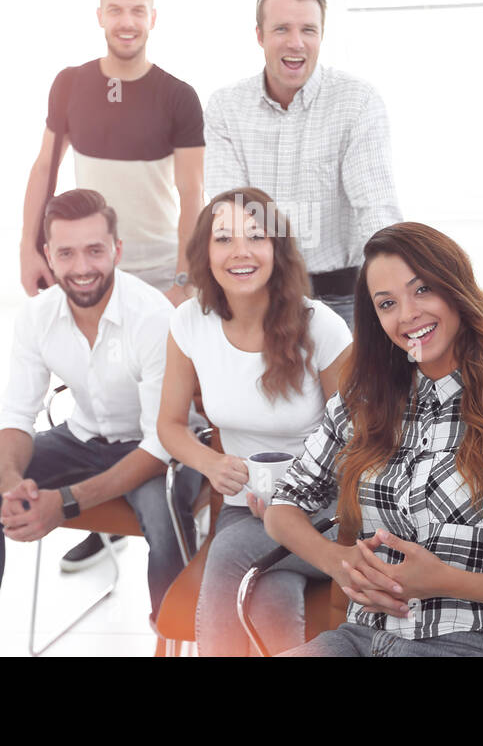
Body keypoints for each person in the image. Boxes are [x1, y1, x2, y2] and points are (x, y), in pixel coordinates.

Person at [264, 222, 483, 657]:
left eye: (422, 289)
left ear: (455, 289)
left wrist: (447, 581)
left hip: (474, 643)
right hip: (357, 641)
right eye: (387, 303)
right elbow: (283, 505)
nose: (407, 314)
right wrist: (335, 560)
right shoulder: (364, 403)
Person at [0, 189, 201, 656]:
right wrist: (11, 484)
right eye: (66, 252)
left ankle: (170, 645)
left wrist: (64, 503)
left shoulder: (153, 317)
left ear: (117, 250)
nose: (82, 266)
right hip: (82, 438)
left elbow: (161, 441)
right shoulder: (36, 316)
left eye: (95, 250)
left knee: (162, 513)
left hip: (161, 449)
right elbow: (16, 413)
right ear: (48, 255)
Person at [19, 0, 205, 572]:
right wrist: (30, 247)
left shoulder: (178, 96)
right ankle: (105, 524)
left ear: (153, 18)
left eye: (137, 11)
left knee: (162, 408)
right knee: (99, 403)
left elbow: (192, 194)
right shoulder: (70, 85)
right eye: (115, 9)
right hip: (88, 266)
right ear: (99, 15)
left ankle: (171, 519)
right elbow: (44, 169)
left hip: (155, 274)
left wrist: (183, 282)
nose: (126, 21)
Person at [155, 186, 353, 655]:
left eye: (255, 237)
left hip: (328, 509)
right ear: (206, 252)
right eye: (223, 238)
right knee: (268, 591)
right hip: (248, 508)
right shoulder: (189, 323)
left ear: (276, 249)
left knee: (229, 557)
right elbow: (169, 426)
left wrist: (298, 494)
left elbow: (361, 436)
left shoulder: (320, 326)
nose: (240, 251)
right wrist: (209, 463)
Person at [202, 0, 401, 327]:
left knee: (352, 384)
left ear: (321, 35)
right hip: (260, 295)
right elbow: (229, 213)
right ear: (260, 36)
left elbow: (375, 208)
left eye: (308, 30)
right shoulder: (225, 108)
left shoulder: (358, 101)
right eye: (282, 29)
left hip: (345, 299)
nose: (296, 43)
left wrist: (395, 290)